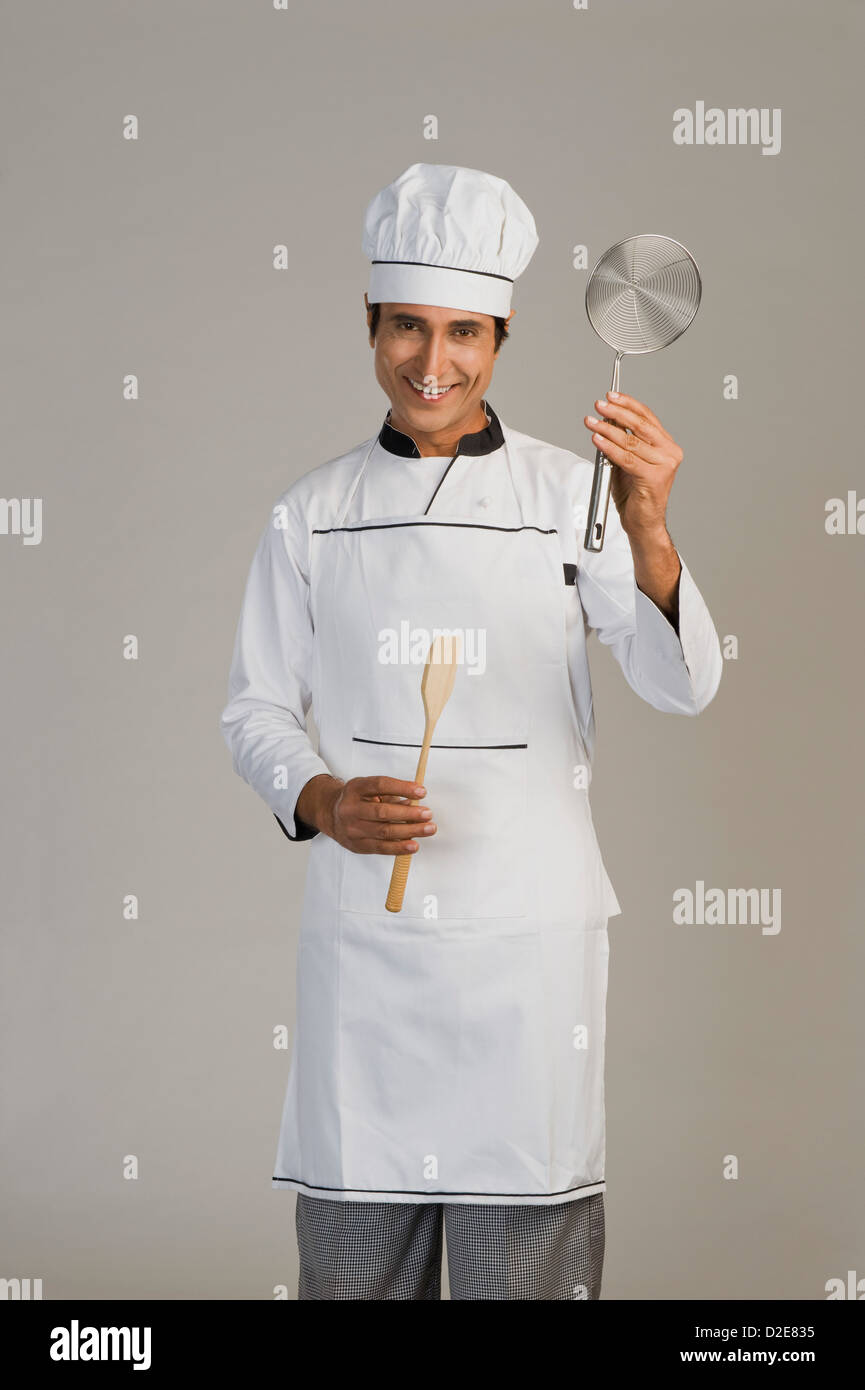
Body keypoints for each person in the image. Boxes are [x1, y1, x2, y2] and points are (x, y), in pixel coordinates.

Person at [220, 162, 723, 1301]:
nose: (431, 362)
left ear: (500, 340)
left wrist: (646, 526)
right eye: (406, 326)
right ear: (369, 323)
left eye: (462, 332)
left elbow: (680, 683)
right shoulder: (312, 513)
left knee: (525, 1275)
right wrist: (322, 800)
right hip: (370, 958)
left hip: (525, 951)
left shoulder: (573, 496)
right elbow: (253, 706)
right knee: (355, 1273)